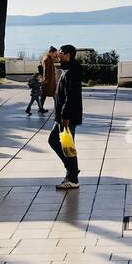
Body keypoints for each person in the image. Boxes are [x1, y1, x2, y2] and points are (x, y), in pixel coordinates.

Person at [49, 44, 83, 190]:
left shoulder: (72, 72)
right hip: (62, 117)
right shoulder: (67, 70)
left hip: (67, 117)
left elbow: (71, 96)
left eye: (61, 53)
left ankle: (73, 177)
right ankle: (72, 170)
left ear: (68, 55)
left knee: (67, 147)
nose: (59, 55)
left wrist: (65, 115)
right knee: (54, 141)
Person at [40, 45, 57, 112]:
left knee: (44, 95)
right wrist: (45, 80)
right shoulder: (47, 59)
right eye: (54, 53)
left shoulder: (49, 59)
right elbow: (45, 70)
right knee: (52, 94)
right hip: (48, 81)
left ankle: (40, 108)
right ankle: (57, 108)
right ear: (51, 52)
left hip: (50, 81)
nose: (55, 55)